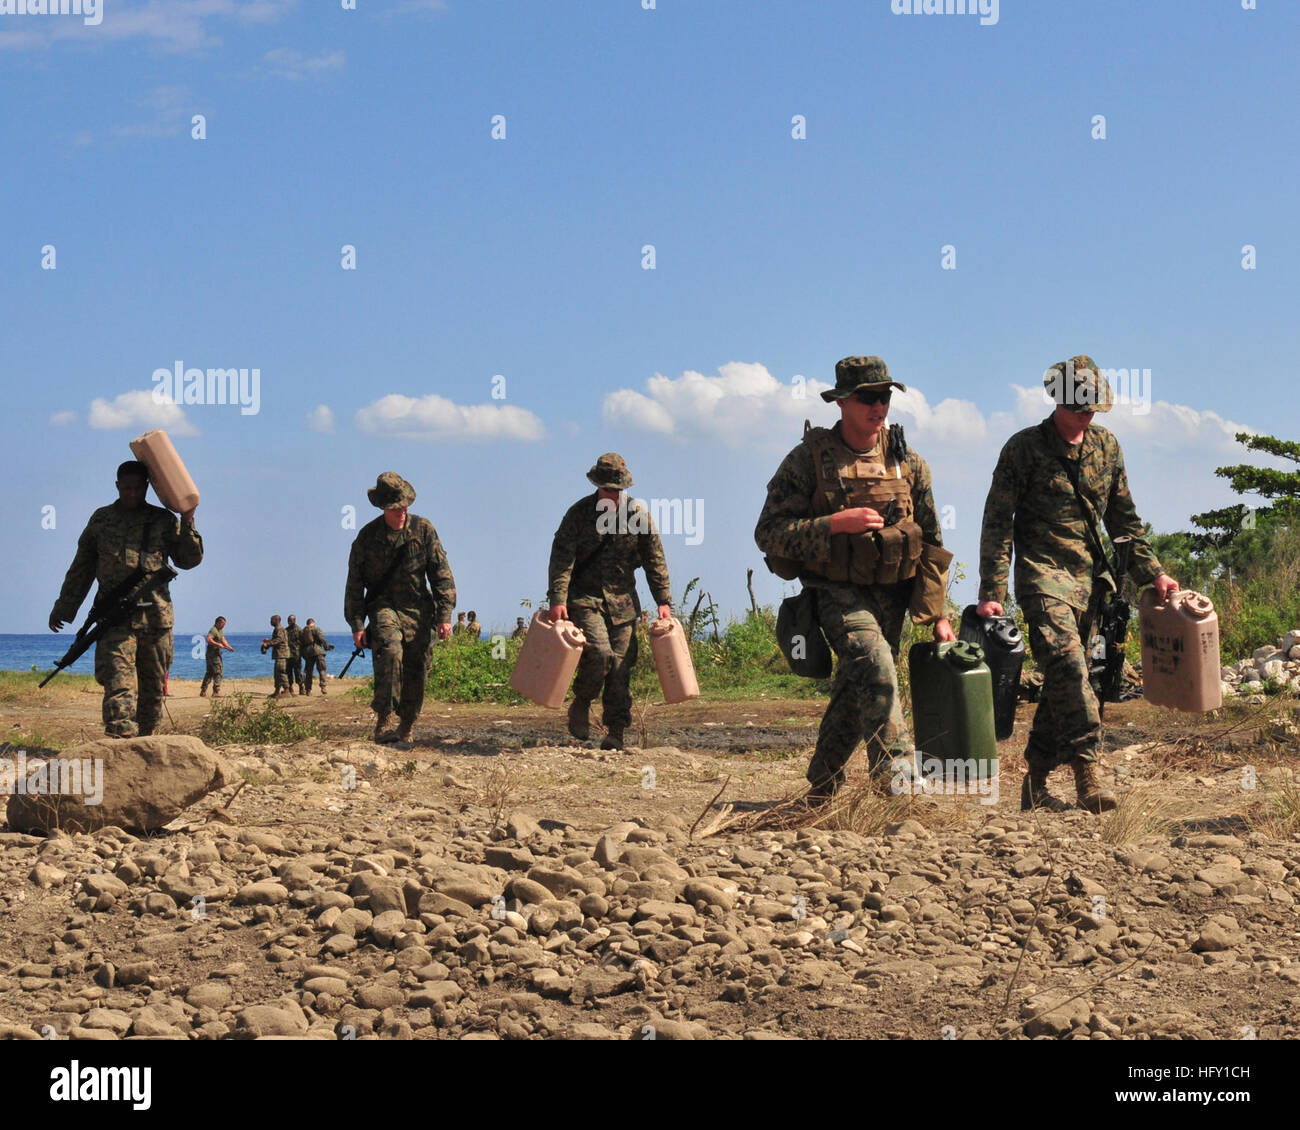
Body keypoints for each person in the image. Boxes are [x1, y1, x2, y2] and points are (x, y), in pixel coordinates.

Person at [977, 355, 1179, 813]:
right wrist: (992, 593)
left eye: (1093, 406)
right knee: (1069, 666)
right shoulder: (1023, 448)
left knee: (1066, 680)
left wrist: (1155, 573)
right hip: (1042, 578)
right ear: (1058, 400)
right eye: (1079, 405)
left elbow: (1124, 522)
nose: (1087, 414)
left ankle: (1035, 782)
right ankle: (1089, 769)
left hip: (1092, 583)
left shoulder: (1107, 447)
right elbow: (997, 523)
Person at [755, 356, 956, 804]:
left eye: (884, 397)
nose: (878, 406)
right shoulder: (809, 459)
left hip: (893, 596)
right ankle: (898, 781)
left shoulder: (908, 464)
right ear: (843, 401)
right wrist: (833, 524)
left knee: (856, 688)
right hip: (835, 592)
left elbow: (932, 542)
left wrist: (939, 613)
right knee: (878, 664)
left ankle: (821, 786)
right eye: (868, 397)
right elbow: (767, 532)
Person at [49, 460, 203, 738]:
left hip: (156, 618)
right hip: (115, 620)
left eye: (137, 488)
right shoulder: (101, 520)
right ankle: (121, 743)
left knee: (153, 689)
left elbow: (189, 560)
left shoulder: (163, 520)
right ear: (117, 486)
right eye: (126, 488)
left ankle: (146, 746)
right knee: (118, 686)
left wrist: (188, 519)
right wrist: (64, 608)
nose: (132, 494)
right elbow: (81, 568)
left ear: (147, 487)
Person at [548, 452, 673, 751]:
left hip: (623, 603)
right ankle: (582, 700)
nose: (613, 496)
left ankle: (615, 731)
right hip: (585, 599)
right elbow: (562, 558)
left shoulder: (638, 516)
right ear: (597, 486)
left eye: (617, 491)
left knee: (620, 667)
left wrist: (663, 600)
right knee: (601, 655)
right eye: (608, 490)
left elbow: (655, 559)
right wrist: (558, 598)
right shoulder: (578, 514)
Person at [345, 472, 456, 749]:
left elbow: (441, 575)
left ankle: (407, 723)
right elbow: (354, 584)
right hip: (384, 607)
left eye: (405, 506)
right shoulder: (366, 538)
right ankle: (383, 718)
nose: (402, 512)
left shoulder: (424, 530)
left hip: (419, 610)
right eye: (396, 508)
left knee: (417, 667)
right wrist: (357, 624)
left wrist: (445, 615)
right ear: (383, 508)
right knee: (391, 651)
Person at [200, 615, 235, 697]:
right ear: (218, 623)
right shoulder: (213, 630)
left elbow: (223, 639)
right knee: (218, 672)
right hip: (213, 654)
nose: (224, 626)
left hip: (212, 654)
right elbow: (208, 639)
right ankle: (216, 692)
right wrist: (217, 644)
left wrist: (229, 647)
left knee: (210, 672)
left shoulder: (219, 630)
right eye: (223, 624)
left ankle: (203, 691)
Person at [301, 617, 335, 695]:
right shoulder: (316, 629)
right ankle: (323, 687)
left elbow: (301, 644)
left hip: (308, 653)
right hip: (318, 651)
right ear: (313, 623)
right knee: (322, 669)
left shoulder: (303, 631)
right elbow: (322, 638)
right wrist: (327, 647)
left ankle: (308, 690)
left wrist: (303, 654)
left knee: (309, 672)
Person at [261, 615, 291, 696]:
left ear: (276, 620)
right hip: (279, 654)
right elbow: (277, 640)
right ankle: (277, 691)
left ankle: (287, 690)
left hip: (282, 654)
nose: (270, 622)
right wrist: (268, 641)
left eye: (272, 620)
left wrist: (268, 643)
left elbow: (279, 640)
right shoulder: (277, 629)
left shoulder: (279, 629)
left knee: (281, 672)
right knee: (277, 673)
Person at [285, 614, 306, 694]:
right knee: (288, 672)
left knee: (298, 672)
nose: (290, 622)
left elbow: (303, 642)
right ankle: (290, 688)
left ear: (294, 620)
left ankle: (301, 687)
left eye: (291, 620)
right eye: (289, 620)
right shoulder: (285, 630)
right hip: (288, 654)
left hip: (297, 655)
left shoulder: (299, 630)